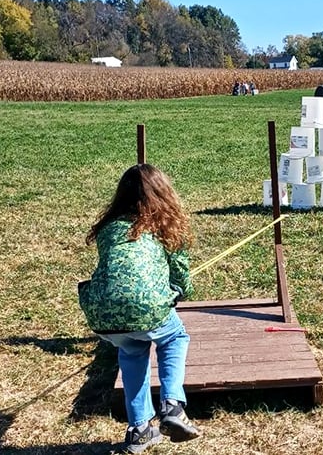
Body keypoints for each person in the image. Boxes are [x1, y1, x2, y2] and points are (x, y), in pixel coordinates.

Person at [78, 164, 200, 453]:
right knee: (174, 338)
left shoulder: (109, 227)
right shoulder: (165, 225)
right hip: (146, 307)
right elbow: (179, 272)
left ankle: (140, 430)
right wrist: (183, 292)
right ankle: (172, 406)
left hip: (101, 311)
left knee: (132, 350)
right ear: (163, 193)